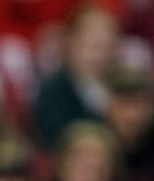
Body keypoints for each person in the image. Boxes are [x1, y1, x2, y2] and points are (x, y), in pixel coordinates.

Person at [30, 4, 121, 148]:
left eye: (108, 47)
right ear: (70, 43)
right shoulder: (52, 94)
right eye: (94, 46)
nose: (101, 56)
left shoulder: (122, 90)